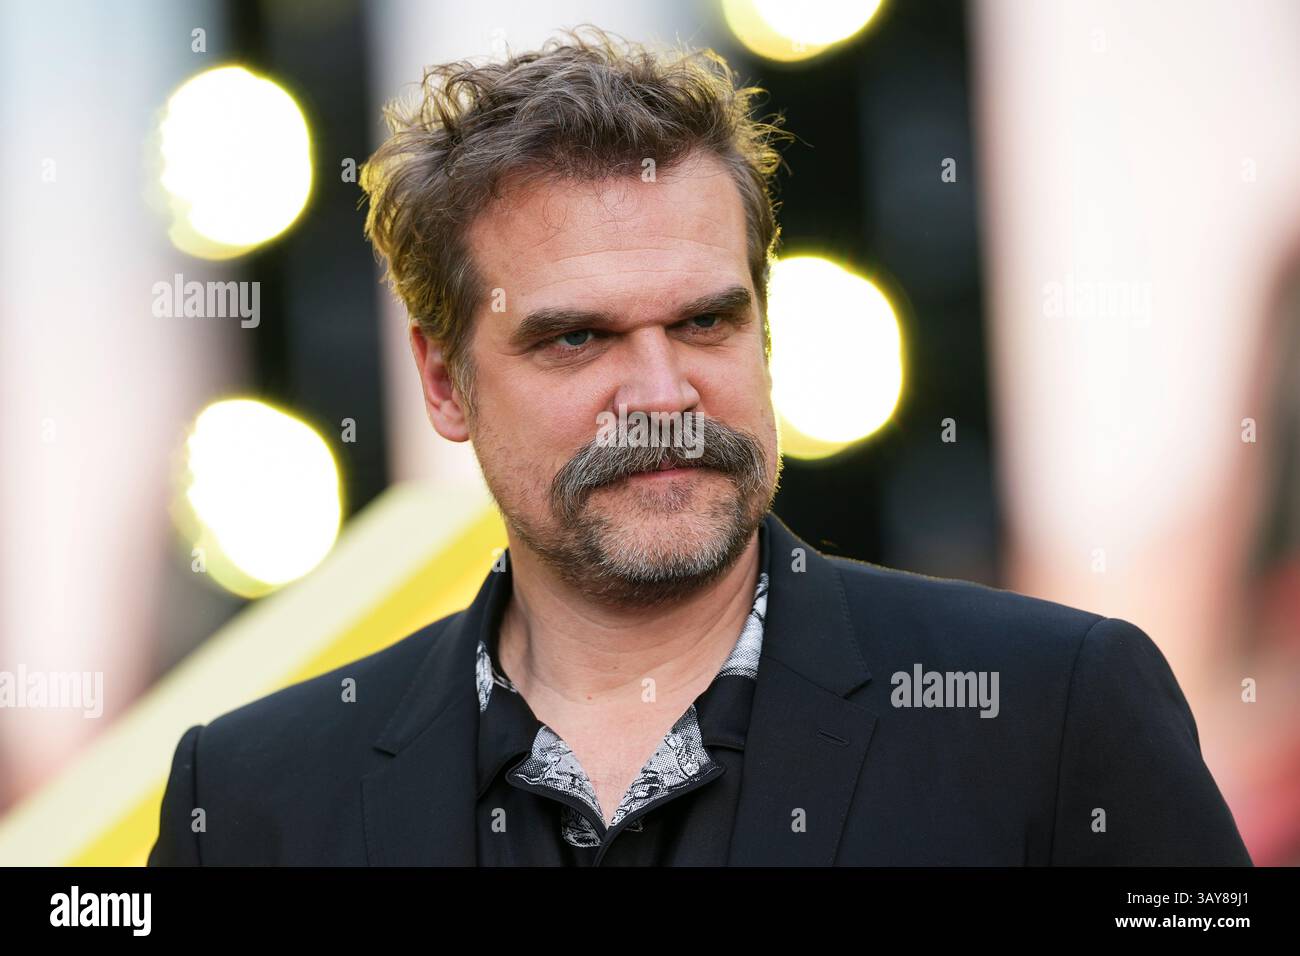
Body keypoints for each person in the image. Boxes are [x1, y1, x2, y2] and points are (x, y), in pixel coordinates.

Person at [149, 26, 1251, 866]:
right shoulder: (252, 797)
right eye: (578, 337)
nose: (664, 392)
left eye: (705, 320)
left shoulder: (1052, 710)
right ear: (444, 379)